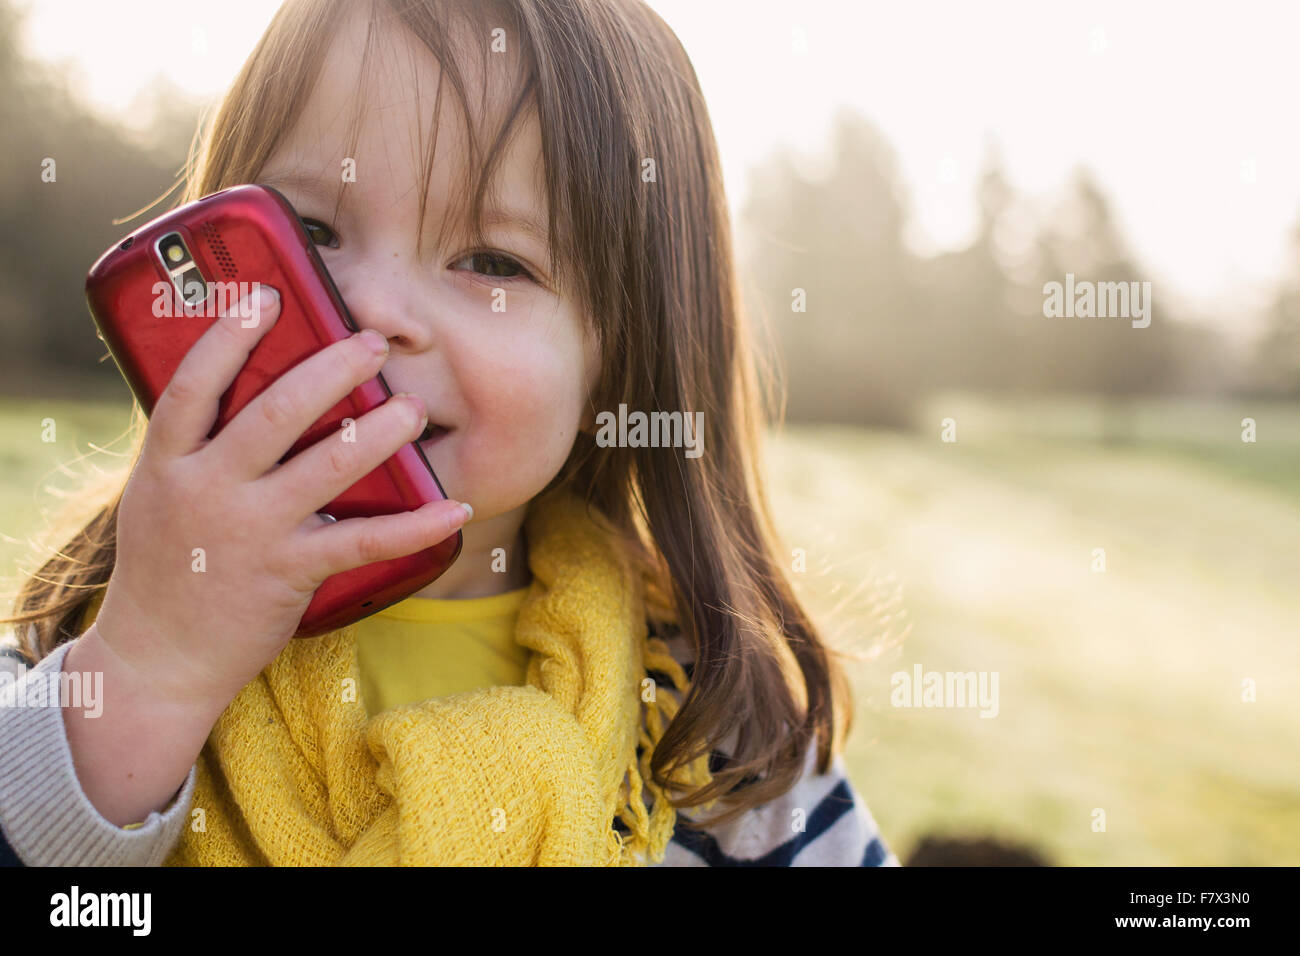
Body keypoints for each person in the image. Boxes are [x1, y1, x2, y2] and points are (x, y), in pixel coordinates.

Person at [0, 0, 897, 867]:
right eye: (309, 228)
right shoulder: (80, 647)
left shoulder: (716, 737)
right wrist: (152, 669)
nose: (370, 307)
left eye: (493, 262)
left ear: (618, 367)